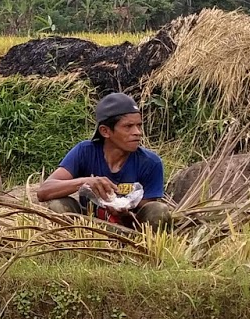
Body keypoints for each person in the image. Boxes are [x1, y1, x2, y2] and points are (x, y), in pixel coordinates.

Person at [36, 92, 173, 229]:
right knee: (57, 204)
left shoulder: (150, 162)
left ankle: (143, 248)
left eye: (139, 125)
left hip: (130, 230)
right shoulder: (85, 151)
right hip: (87, 227)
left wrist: (124, 213)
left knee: (158, 210)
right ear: (105, 131)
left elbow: (149, 211)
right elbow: (44, 192)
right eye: (128, 126)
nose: (138, 132)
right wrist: (86, 182)